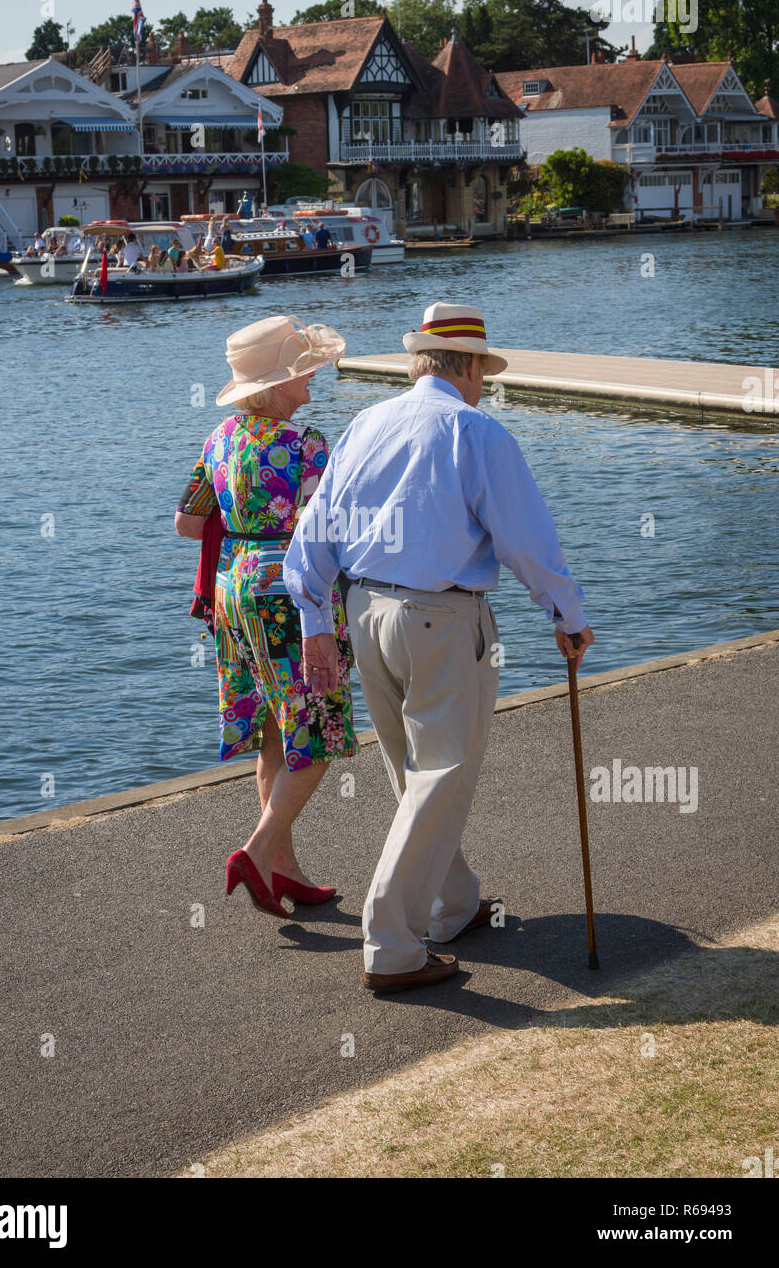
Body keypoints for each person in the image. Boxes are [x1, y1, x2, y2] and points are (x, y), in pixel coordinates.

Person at [283, 301, 594, 994]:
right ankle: (391, 944)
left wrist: (316, 627)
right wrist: (566, 614)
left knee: (413, 773)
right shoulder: (475, 431)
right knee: (441, 774)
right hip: (442, 617)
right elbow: (526, 540)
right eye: (483, 369)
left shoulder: (366, 424)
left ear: (420, 362)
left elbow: (314, 535)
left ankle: (452, 905)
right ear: (472, 367)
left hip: (365, 612)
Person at [174, 315, 357, 918]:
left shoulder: (220, 437)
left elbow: (188, 524)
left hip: (233, 586)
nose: (310, 385)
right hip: (290, 592)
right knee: (317, 727)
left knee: (276, 728)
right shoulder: (307, 446)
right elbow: (335, 531)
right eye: (304, 374)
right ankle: (255, 852)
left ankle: (285, 869)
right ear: (277, 386)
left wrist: (245, 511)